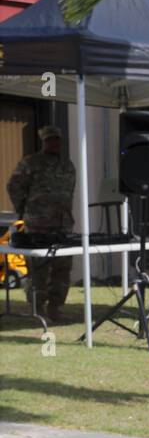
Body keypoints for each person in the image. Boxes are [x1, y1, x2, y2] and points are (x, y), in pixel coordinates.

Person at [8, 125, 76, 322]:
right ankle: (37, 308)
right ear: (43, 142)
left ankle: (55, 307)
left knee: (62, 267)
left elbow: (69, 192)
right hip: (38, 224)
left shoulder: (67, 165)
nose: (53, 143)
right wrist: (25, 210)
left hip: (63, 224)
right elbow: (13, 186)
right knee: (38, 268)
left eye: (56, 140)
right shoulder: (31, 163)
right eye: (49, 140)